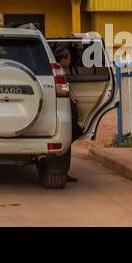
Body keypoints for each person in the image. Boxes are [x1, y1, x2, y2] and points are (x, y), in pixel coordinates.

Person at [53, 46, 79, 183]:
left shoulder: (55, 69)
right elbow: (63, 90)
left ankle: (63, 170)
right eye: (68, 59)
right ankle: (63, 170)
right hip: (64, 108)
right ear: (62, 59)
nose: (70, 62)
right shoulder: (57, 70)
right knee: (68, 137)